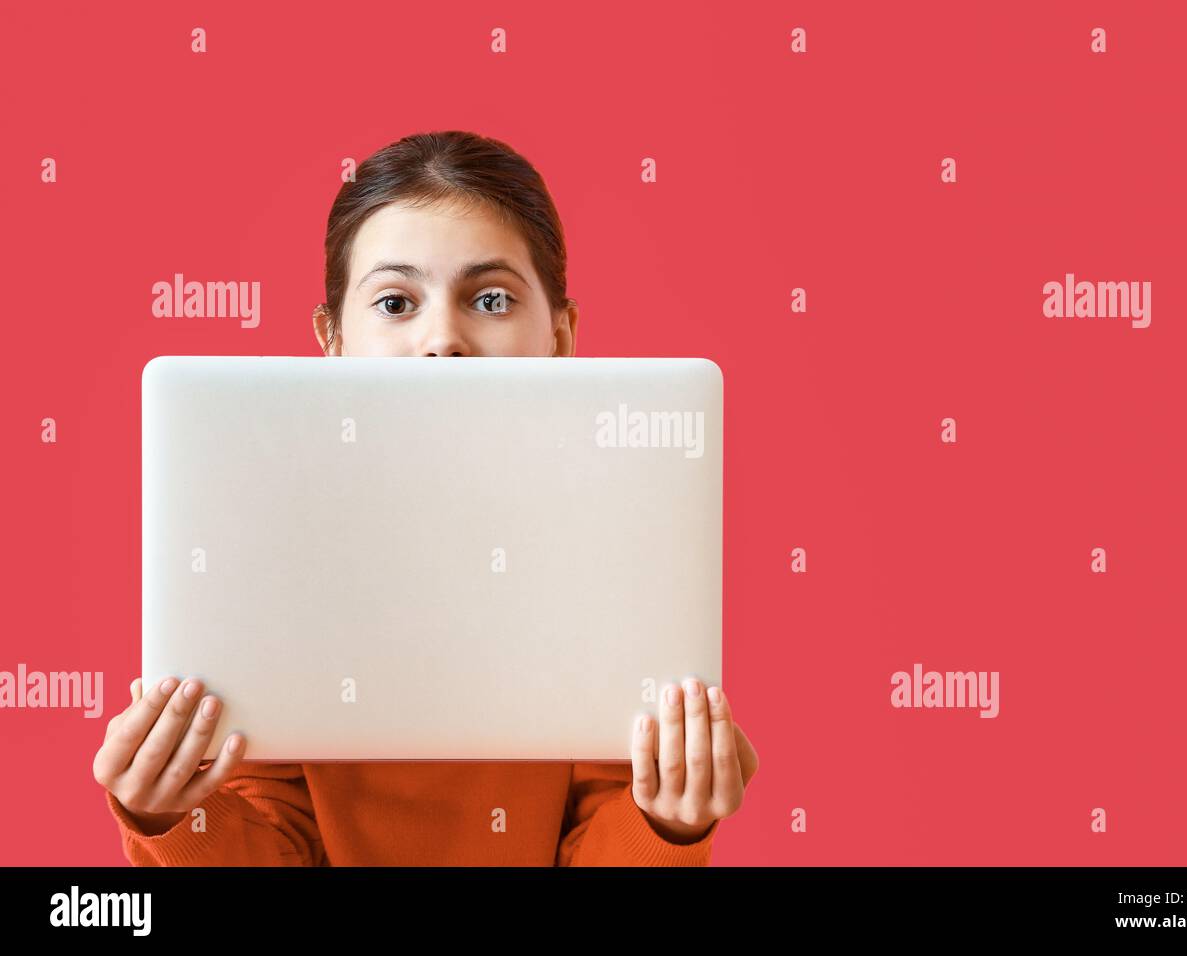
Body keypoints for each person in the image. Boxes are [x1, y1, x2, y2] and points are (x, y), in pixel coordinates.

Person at [93, 130, 759, 866]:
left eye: (492, 297)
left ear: (562, 337)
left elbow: (604, 834)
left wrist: (667, 826)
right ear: (333, 341)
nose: (443, 339)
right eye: (395, 301)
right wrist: (168, 816)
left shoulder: (613, 556)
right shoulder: (268, 554)